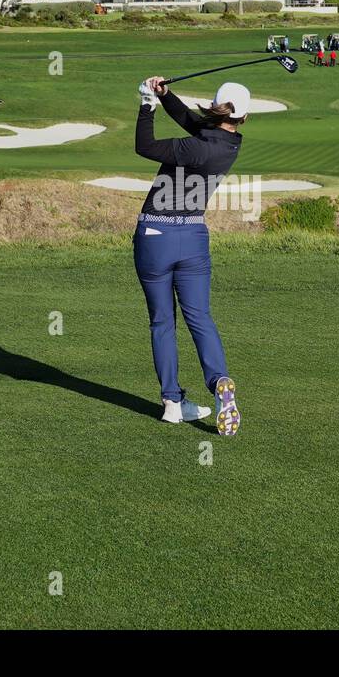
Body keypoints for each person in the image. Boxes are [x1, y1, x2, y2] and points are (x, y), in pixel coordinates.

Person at [132, 76, 246, 436]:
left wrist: (146, 104)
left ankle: (171, 402)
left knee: (162, 321)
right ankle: (218, 382)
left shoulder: (193, 148)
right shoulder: (228, 144)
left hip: (155, 236)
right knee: (200, 317)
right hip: (193, 237)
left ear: (216, 106)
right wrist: (165, 95)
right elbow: (193, 122)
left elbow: (144, 145)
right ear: (243, 118)